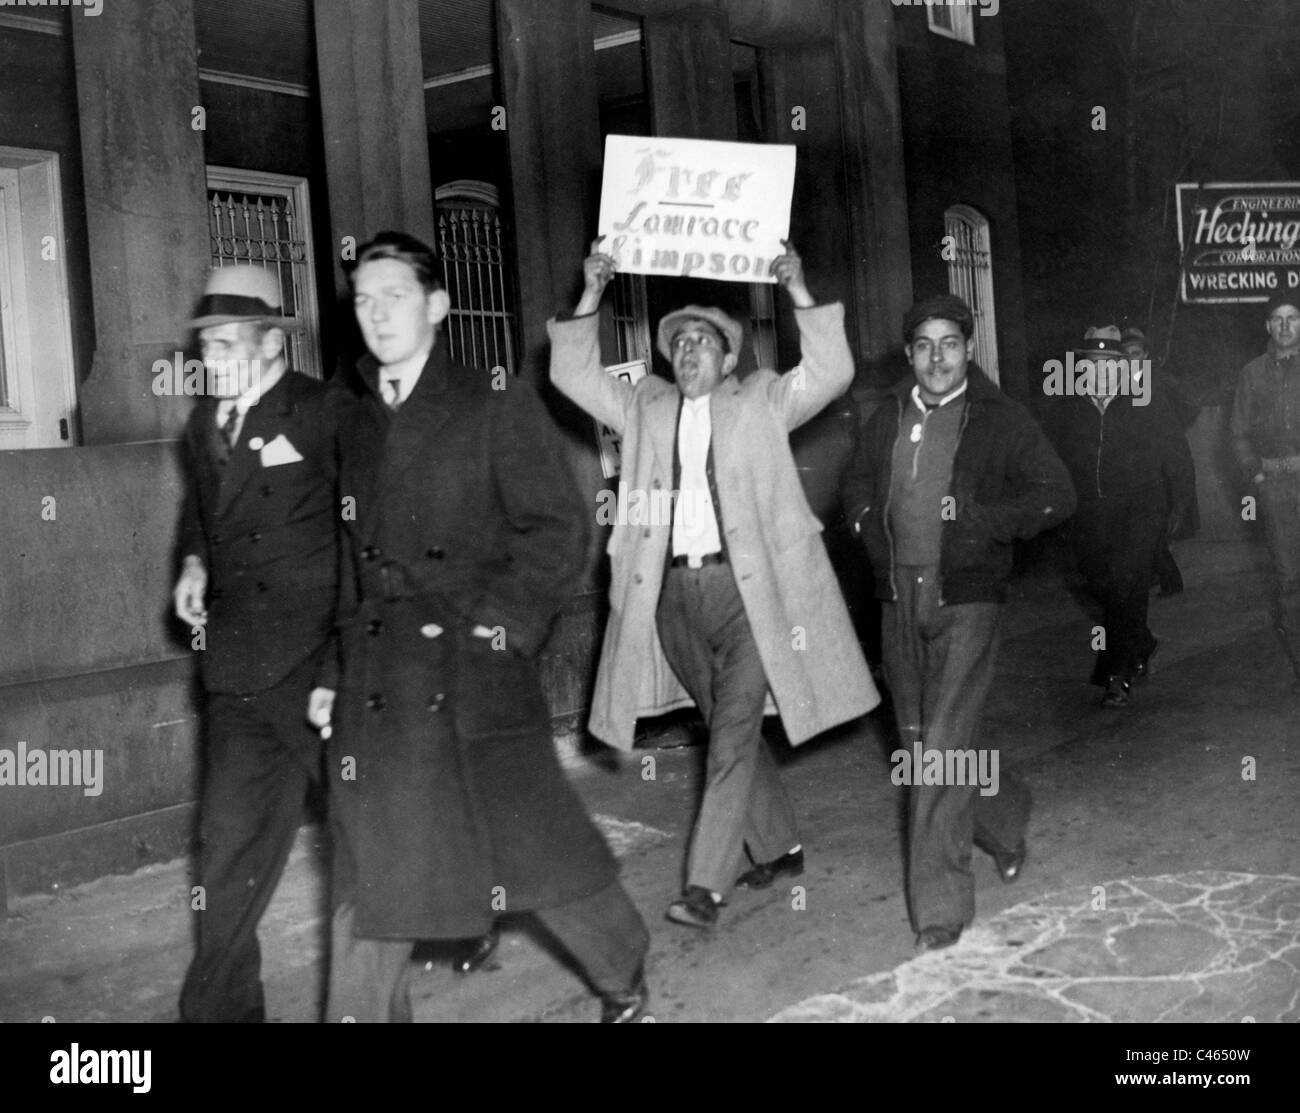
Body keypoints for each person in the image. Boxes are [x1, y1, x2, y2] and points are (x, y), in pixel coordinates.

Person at [311, 231, 648, 1023]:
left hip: (470, 677)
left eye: (394, 296)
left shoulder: (493, 404)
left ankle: (622, 967)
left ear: (436, 304)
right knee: (370, 883)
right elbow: (346, 563)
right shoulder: (352, 423)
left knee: (534, 855)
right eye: (363, 300)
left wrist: (495, 631)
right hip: (377, 685)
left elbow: (558, 531)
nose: (376, 314)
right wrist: (331, 673)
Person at [549, 239, 879, 930]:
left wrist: (797, 285)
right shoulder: (642, 406)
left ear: (731, 358)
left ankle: (706, 884)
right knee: (724, 727)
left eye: (706, 340)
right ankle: (780, 845)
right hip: (669, 598)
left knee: (729, 735)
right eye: (682, 342)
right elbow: (573, 375)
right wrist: (591, 292)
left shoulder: (760, 400)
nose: (691, 350)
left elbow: (832, 369)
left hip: (750, 596)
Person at [841, 294, 1075, 951]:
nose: (937, 357)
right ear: (909, 353)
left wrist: (986, 522)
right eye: (924, 344)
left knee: (939, 753)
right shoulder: (885, 413)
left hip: (967, 597)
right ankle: (1001, 820)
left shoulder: (1001, 419)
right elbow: (856, 481)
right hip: (897, 595)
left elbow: (1058, 494)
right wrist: (863, 521)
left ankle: (941, 908)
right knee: (924, 749)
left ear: (968, 349)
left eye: (950, 342)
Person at [173, 264, 347, 1021]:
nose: (208, 360)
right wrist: (193, 561)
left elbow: (361, 540)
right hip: (240, 670)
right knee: (227, 852)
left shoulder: (321, 412)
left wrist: (346, 662)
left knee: (374, 837)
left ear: (269, 342)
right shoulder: (202, 424)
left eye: (223, 344)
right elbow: (204, 512)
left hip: (319, 668)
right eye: (204, 345)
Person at [1055, 325, 1194, 708]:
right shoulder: (1072, 405)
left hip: (1141, 510)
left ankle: (1116, 675)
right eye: (1093, 363)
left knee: (1125, 586)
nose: (1100, 370)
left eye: (1109, 363)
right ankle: (1142, 643)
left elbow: (1175, 451)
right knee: (1102, 586)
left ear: (1120, 366)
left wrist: (1181, 502)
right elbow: (1057, 460)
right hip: (1091, 516)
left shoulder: (1144, 400)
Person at [1230, 295, 1300, 684]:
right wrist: (1256, 476)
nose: (1286, 326)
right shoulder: (1252, 374)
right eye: (1278, 319)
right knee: (1289, 576)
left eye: (1293, 318)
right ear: (1268, 327)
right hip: (1276, 487)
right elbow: (1238, 433)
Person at [1120, 326, 1197, 597]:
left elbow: (1191, 405)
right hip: (1140, 462)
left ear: (1146, 354)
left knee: (1157, 522)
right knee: (1148, 523)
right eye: (1127, 354)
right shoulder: (1122, 386)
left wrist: (1174, 429)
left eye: (1136, 353)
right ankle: (1166, 578)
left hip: (1165, 461)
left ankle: (1166, 577)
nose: (1132, 359)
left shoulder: (1161, 380)